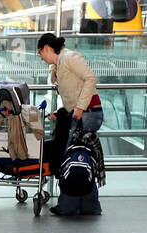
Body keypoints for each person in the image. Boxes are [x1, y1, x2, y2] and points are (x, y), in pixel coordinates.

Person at [38, 33, 104, 216]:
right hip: (81, 114)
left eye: (40, 53)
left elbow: (90, 78)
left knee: (74, 158)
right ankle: (90, 205)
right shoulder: (59, 64)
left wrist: (80, 108)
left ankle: (68, 205)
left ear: (46, 48)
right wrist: (61, 114)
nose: (41, 57)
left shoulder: (70, 57)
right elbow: (71, 92)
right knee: (82, 158)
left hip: (88, 113)